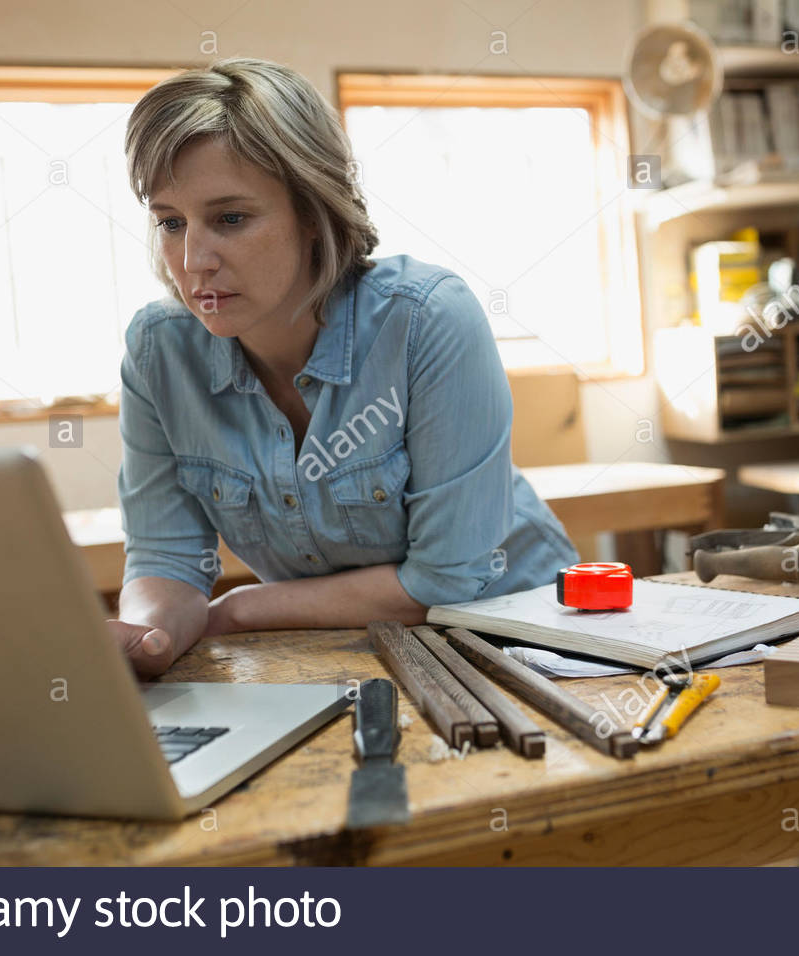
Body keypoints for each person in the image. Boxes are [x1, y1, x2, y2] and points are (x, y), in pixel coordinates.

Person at [106, 58, 579, 678]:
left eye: (230, 219)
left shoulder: (427, 318)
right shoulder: (158, 351)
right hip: (352, 652)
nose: (193, 259)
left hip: (528, 641)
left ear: (312, 211)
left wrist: (239, 609)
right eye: (171, 222)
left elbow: (447, 579)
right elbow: (164, 560)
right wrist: (148, 639)